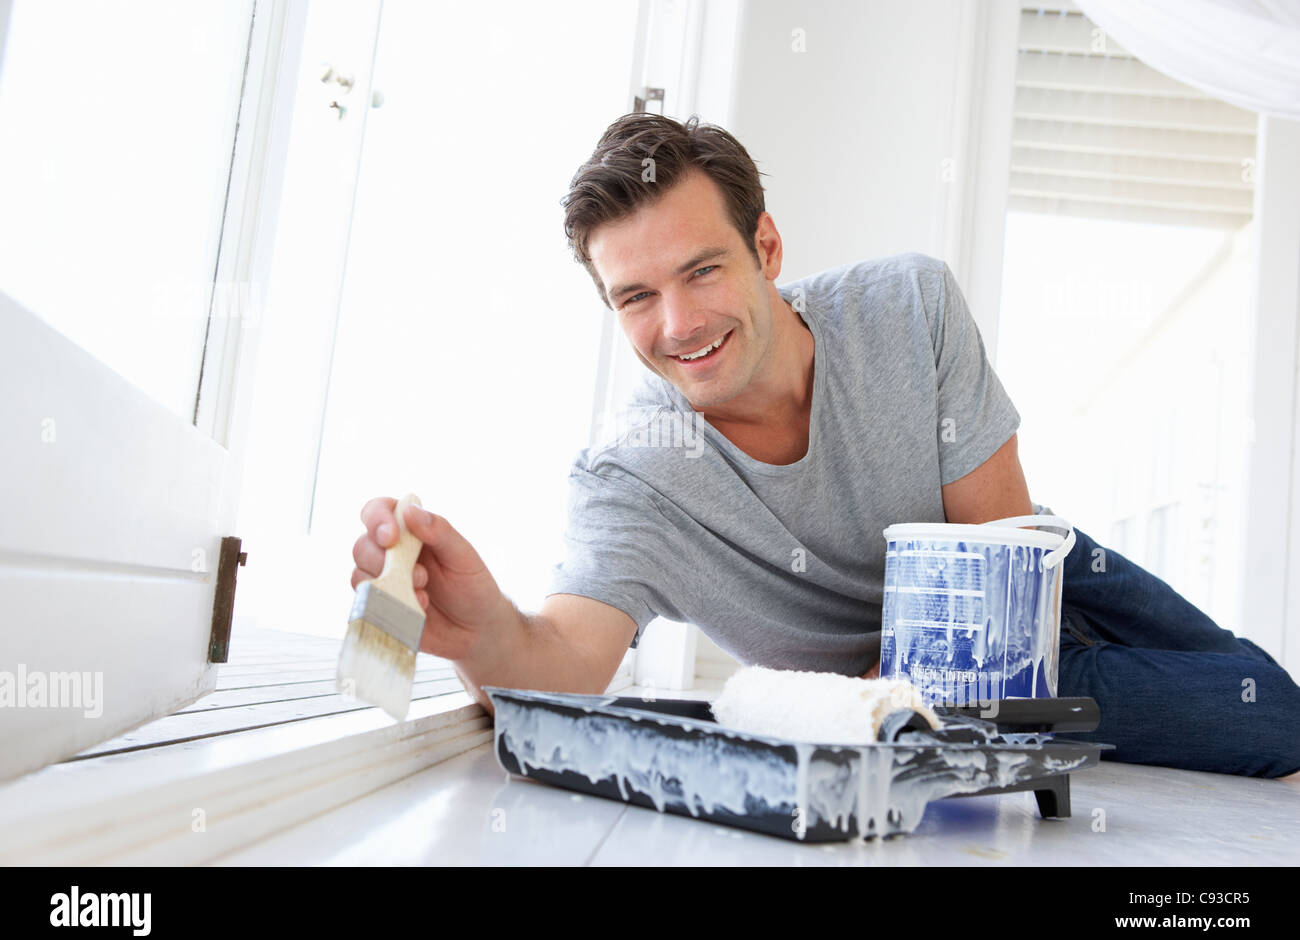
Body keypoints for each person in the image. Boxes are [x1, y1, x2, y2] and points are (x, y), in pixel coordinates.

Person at [349, 113, 1300, 779]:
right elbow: (565, 661)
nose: (677, 324)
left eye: (701, 270)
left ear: (765, 247)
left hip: (1035, 579)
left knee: (1266, 694)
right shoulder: (630, 476)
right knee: (1280, 715)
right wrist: (483, 633)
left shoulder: (907, 307)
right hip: (943, 695)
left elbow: (1002, 577)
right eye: (635, 297)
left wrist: (938, 679)